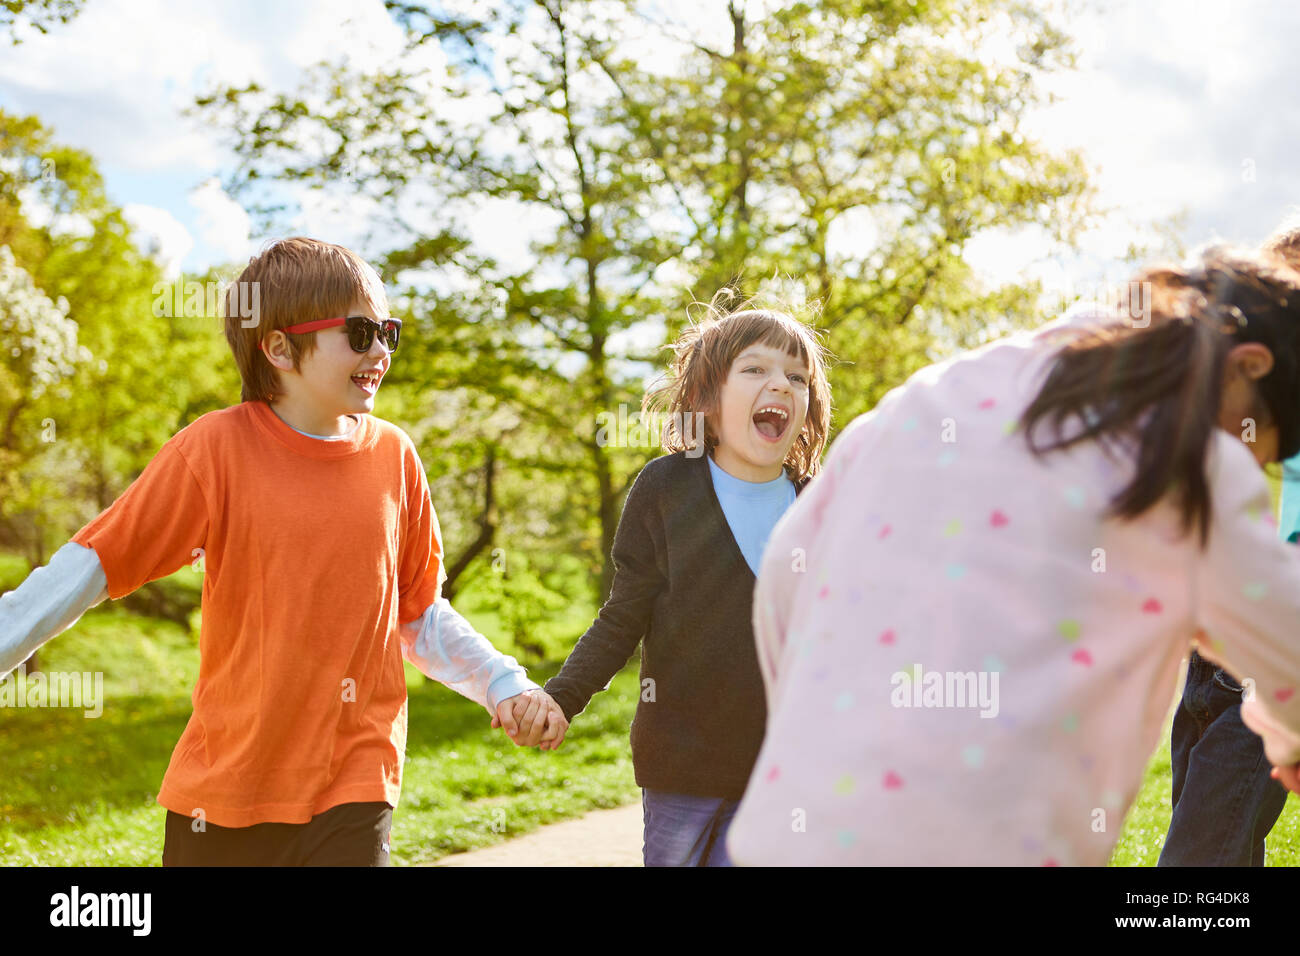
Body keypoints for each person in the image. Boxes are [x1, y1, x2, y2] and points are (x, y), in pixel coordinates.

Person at [0, 236, 565, 866]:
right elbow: (97, 564)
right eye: (358, 332)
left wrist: (502, 684)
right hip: (222, 796)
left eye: (387, 331)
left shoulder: (395, 458)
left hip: (355, 781)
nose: (379, 350)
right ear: (278, 346)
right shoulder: (214, 451)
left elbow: (417, 613)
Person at [727, 246, 1300, 866]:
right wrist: (1288, 744)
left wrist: (808, 717)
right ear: (1249, 366)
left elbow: (789, 562)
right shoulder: (1194, 466)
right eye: (1266, 447)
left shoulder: (943, 391)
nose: (1256, 465)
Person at [533, 300, 832, 865]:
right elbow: (623, 616)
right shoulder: (666, 490)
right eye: (756, 369)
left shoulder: (820, 504)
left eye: (798, 377)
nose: (782, 385)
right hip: (680, 764)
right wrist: (561, 697)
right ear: (705, 399)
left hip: (783, 767)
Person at [1158, 226, 1300, 867]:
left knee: (1198, 857)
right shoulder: (1236, 401)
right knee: (1214, 836)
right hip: (1213, 645)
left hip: (1273, 649)